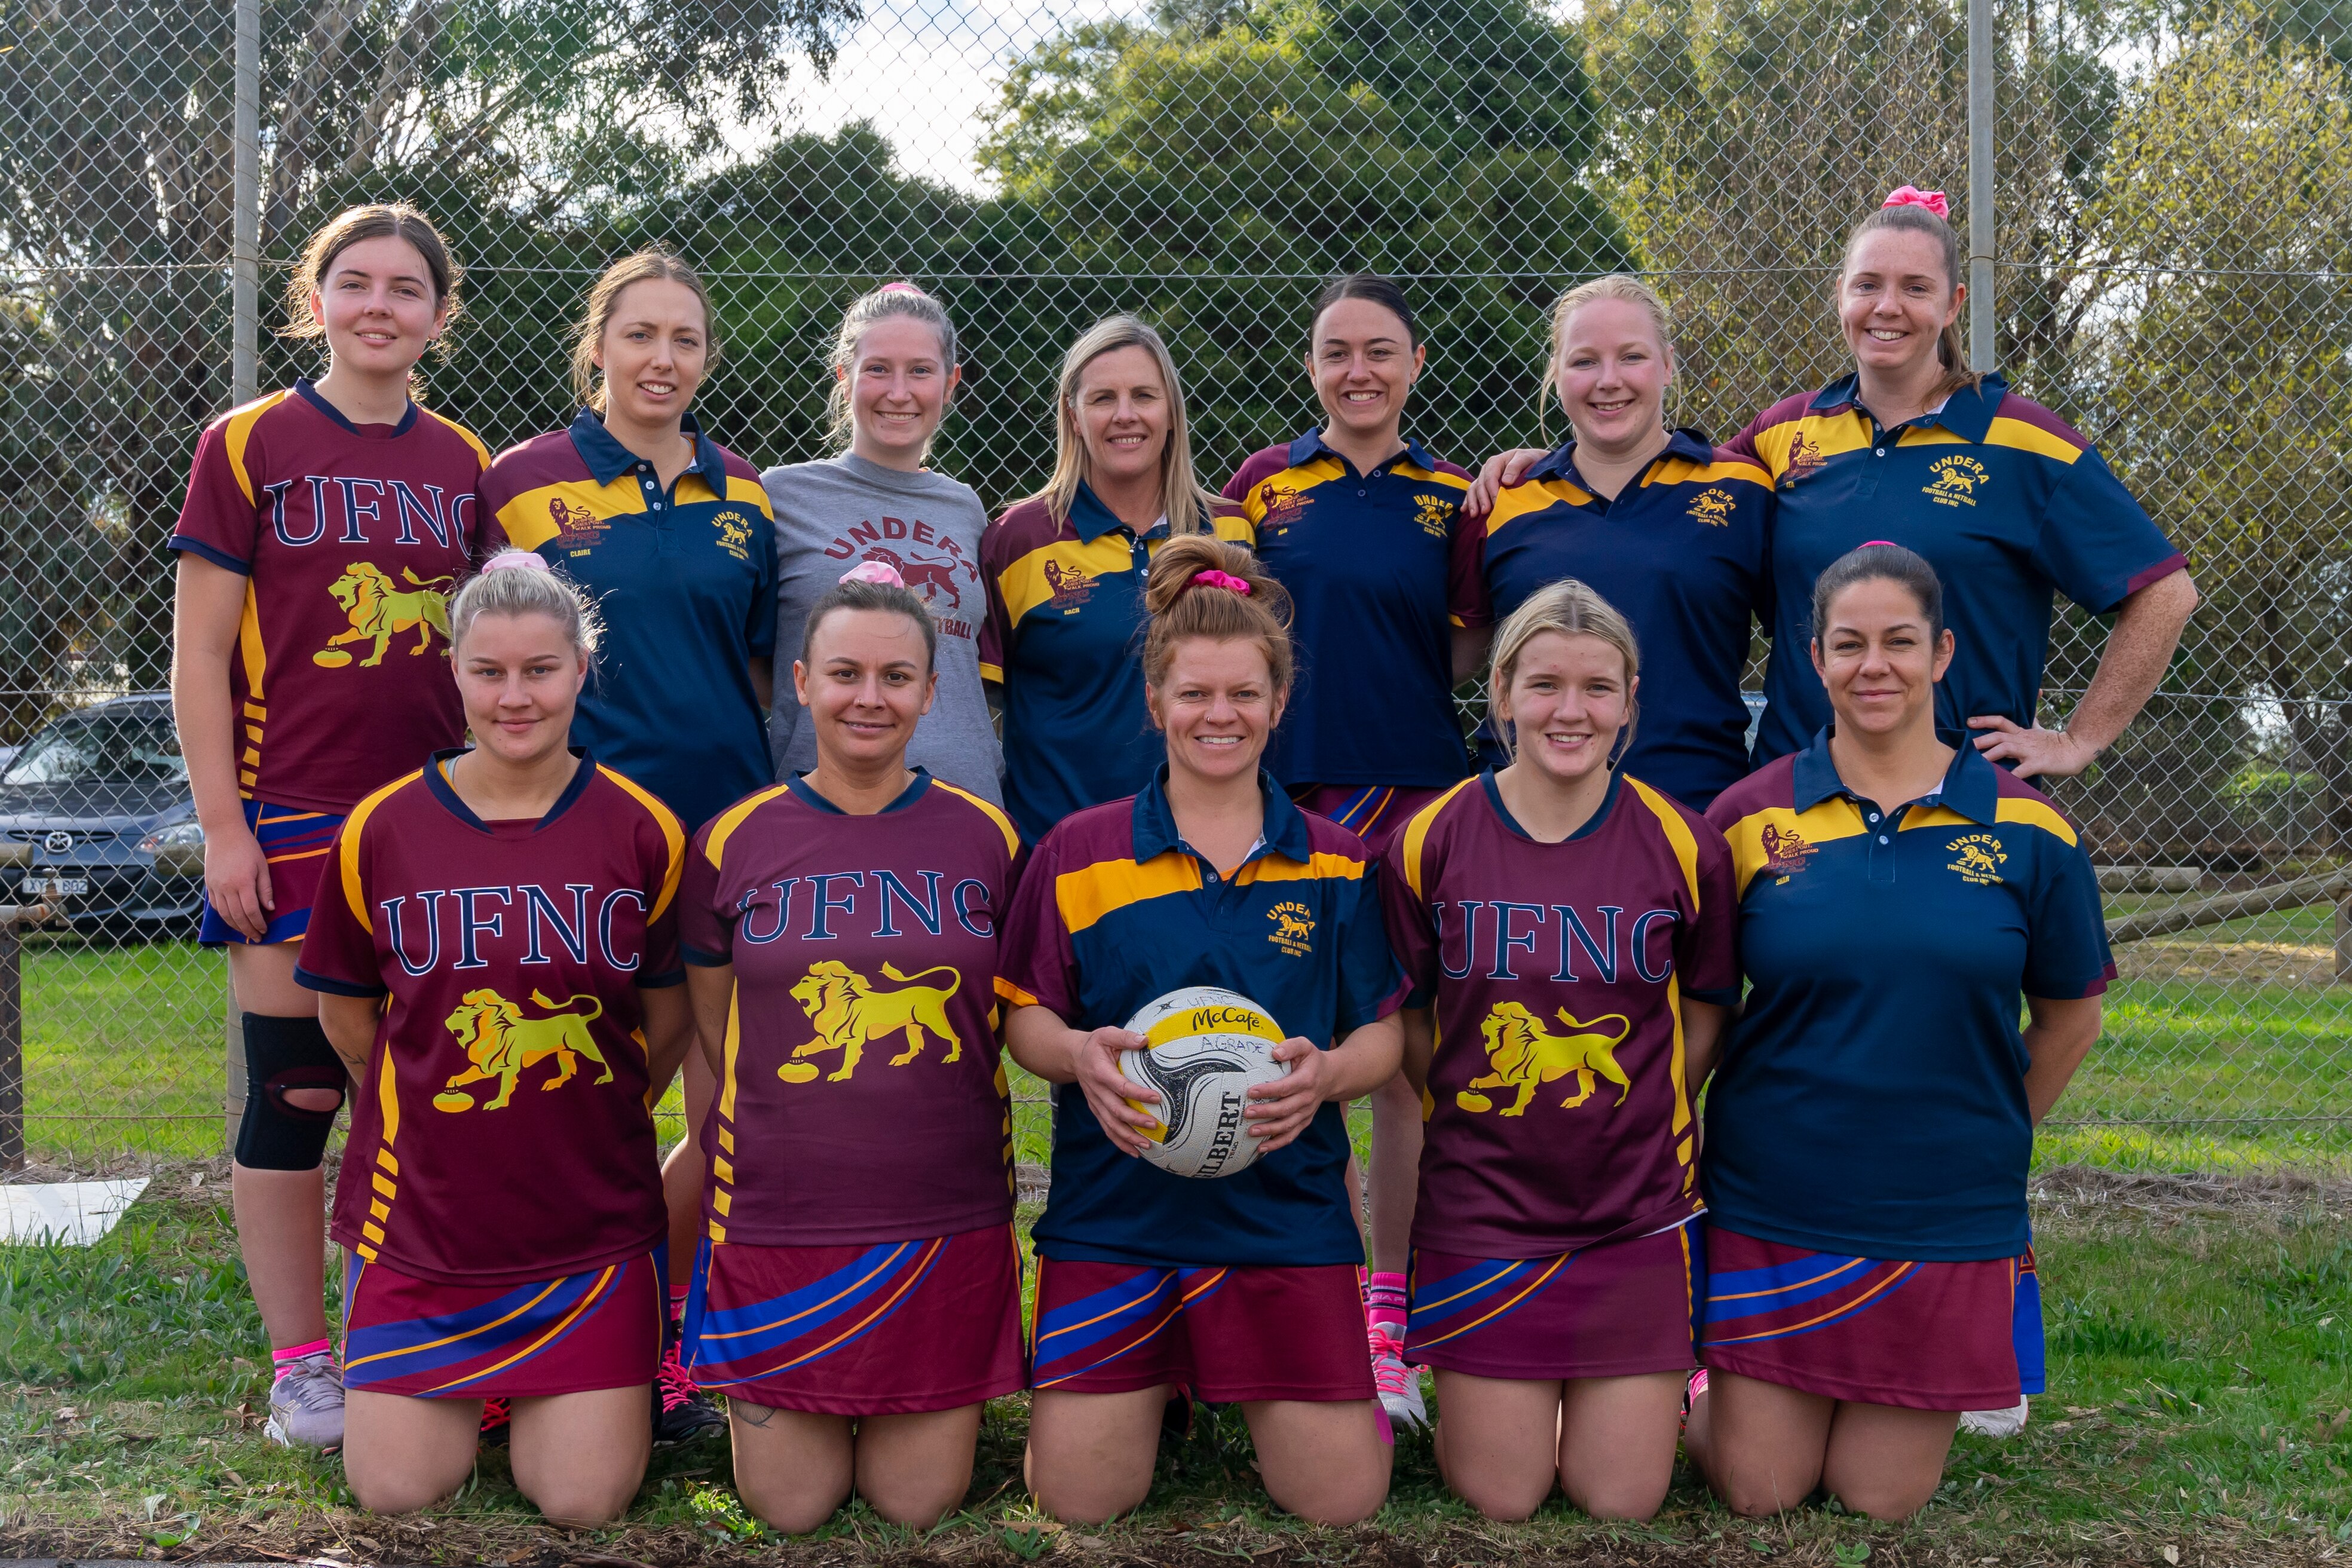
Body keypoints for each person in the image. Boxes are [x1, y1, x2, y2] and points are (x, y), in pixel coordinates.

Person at [1471, 193, 2197, 782]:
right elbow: (1654, 485)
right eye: (1867, 285)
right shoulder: (1782, 434)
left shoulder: (2026, 440)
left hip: (1964, 797)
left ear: (1953, 304)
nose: (1888, 307)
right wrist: (1561, 460)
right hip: (1797, 798)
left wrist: (2078, 738)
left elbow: (2165, 592)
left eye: (1916, 288)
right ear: (1840, 296)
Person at [1690, 544, 2109, 1519]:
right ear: (1814, 658)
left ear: (1942, 653)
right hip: (1773, 1193)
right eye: (1848, 644)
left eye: (1899, 642)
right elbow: (1704, 1007)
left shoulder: (2032, 829)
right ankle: (1698, 1385)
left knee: (1876, 1500)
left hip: (1944, 1209)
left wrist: (1989, 1131)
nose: (1872, 665)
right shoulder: (1746, 818)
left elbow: (2072, 1018)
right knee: (1761, 1490)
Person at [999, 536, 1405, 1527]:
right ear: (1154, 701)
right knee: (1079, 1500)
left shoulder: (1340, 861)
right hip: (1117, 1213)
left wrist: (1328, 1074)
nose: (1218, 715)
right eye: (1193, 693)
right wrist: (1077, 1054)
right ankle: (1168, 1373)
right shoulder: (1079, 851)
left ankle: (1224, 1363)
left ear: (1278, 701)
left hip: (1284, 1212)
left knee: (1341, 1501)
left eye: (1242, 694)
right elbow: (1027, 1016)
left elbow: (1382, 1037)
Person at [168, 203, 489, 1451]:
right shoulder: (247, 442)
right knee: (296, 1089)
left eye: (406, 289)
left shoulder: (464, 460)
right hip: (290, 816)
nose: (379, 306)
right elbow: (200, 653)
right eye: (355, 283)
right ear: (315, 302)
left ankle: (410, 1337)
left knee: (424, 1091)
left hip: (431, 823)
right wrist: (223, 828)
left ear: (439, 316)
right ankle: (303, 1365)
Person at [296, 553, 694, 1523]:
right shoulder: (381, 829)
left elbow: (670, 1016)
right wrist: (425, 1094)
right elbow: (348, 1016)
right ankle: (472, 1393)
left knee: (581, 1500)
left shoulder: (644, 831)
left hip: (588, 1231)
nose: (516, 697)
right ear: (455, 671)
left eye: (541, 670)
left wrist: (591, 1106)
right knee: (395, 1489)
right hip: (422, 1226)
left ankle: (541, 1393)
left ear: (582, 667)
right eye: (489, 672)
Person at [477, 248, 775, 1444]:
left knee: (722, 1109)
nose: (662, 359)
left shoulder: (746, 491)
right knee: (577, 1105)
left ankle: (676, 1344)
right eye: (640, 335)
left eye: (685, 339)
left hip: (722, 841)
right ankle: (530, 1331)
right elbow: (498, 668)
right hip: (583, 841)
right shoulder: (520, 483)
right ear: (596, 345)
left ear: (707, 357)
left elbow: (759, 666)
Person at [675, 561, 1024, 1533]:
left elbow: (1006, 1022)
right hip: (781, 1218)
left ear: (930, 689)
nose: (870, 697)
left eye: (896, 676)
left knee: (917, 1502)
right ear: (801, 682)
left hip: (942, 1216)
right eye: (845, 673)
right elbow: (720, 1028)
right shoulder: (731, 841)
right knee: (788, 1505)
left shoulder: (989, 839)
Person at [1382, 578, 1738, 1521]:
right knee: (1502, 1495)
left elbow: (1706, 1009)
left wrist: (1642, 1104)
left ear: (1629, 702)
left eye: (1597, 688)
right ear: (1500, 692)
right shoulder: (1429, 840)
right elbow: (1410, 1015)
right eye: (1544, 685)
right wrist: (1462, 1101)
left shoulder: (1684, 843)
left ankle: (1684, 1386)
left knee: (1619, 1500)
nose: (1569, 711)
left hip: (1634, 1212)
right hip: (1484, 1210)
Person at [1219, 272, 1476, 1431]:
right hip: (1293, 804)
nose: (1357, 370)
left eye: (1379, 350)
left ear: (1416, 364)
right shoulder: (1260, 486)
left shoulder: (1457, 496)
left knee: (1409, 1059)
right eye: (1336, 351)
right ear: (1312, 366)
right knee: (1282, 1049)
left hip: (1418, 805)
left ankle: (1391, 1314)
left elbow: (1469, 643)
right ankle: (1276, 1297)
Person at [1450, 275, 1771, 810]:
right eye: (1584, 361)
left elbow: (1808, 646)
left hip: (1695, 808)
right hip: (1523, 817)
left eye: (1631, 357)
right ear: (1556, 375)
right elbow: (1456, 661)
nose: (1608, 380)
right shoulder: (1499, 501)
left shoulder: (1745, 490)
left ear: (1667, 365)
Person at [979, 315, 1255, 843]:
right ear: (1074, 416)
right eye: (1103, 398)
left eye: (1144, 396)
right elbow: (979, 709)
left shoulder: (1232, 530)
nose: (1125, 415)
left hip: (1209, 849)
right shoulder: (1018, 540)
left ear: (1171, 412)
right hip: (1060, 852)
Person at [766, 283, 1003, 804]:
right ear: (844, 376)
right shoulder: (781, 496)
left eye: (920, 370)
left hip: (965, 799)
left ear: (950, 383)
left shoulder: (966, 508)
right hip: (824, 799)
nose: (899, 392)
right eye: (877, 369)